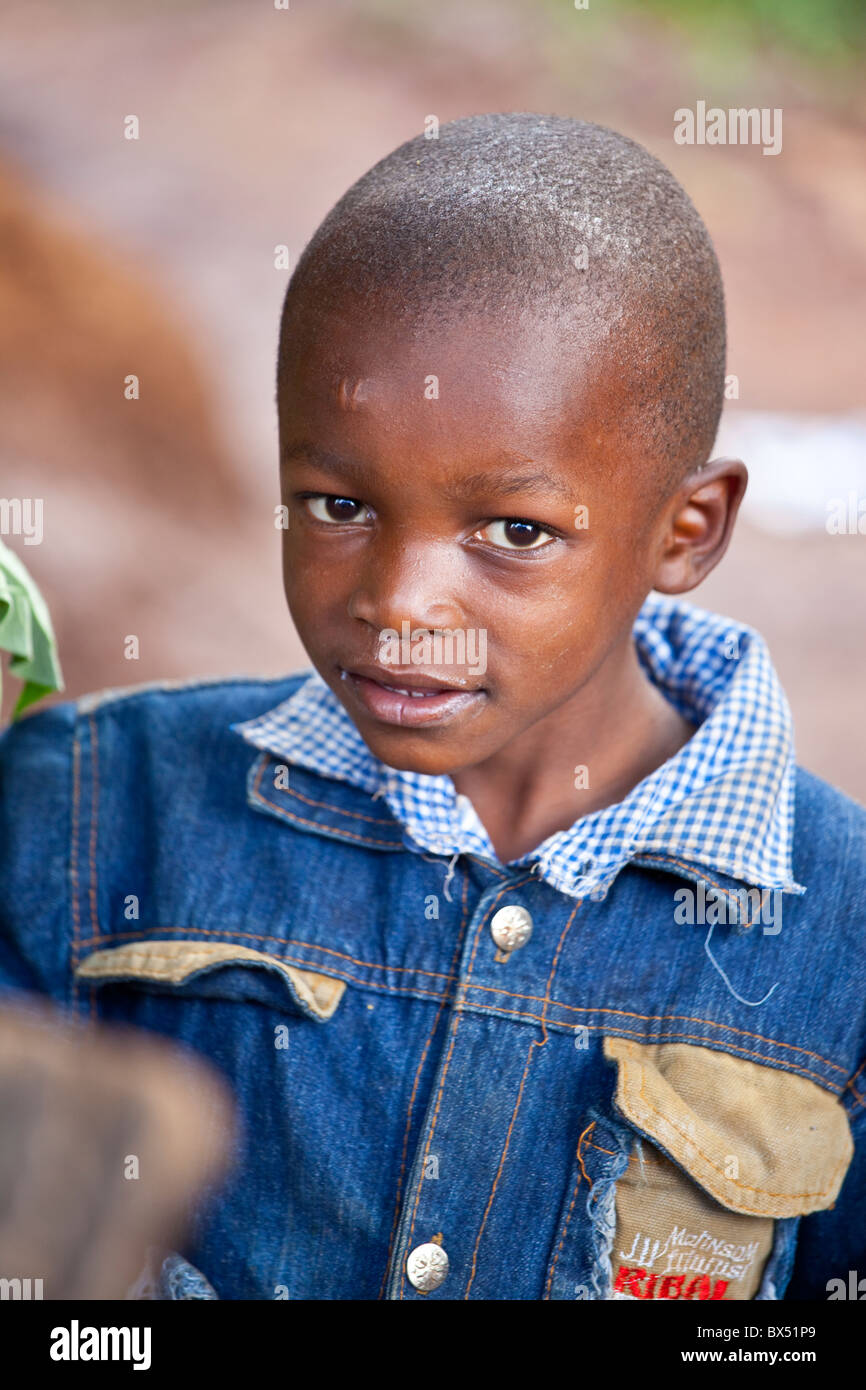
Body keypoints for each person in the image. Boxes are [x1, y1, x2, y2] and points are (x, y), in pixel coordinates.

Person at [1, 113, 864, 1301]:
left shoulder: (841, 943)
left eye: (513, 532)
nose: (399, 605)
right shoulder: (91, 808)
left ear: (687, 530)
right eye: (337, 504)